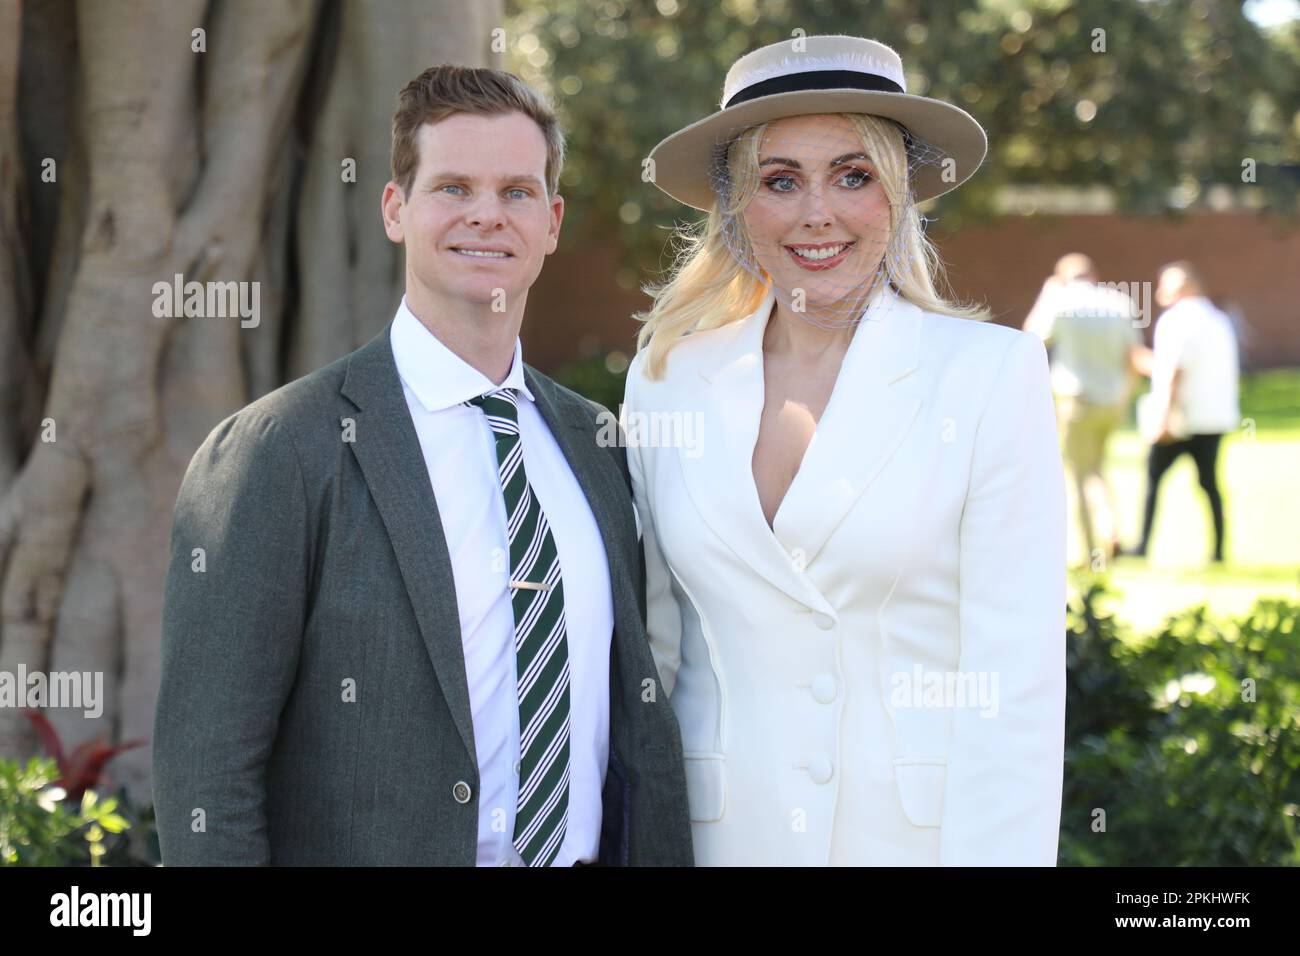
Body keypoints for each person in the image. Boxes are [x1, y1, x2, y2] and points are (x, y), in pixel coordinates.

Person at [153, 65, 693, 866]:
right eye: (452, 187)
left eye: (516, 191)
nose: (487, 215)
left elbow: (636, 730)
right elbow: (208, 772)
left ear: (551, 220)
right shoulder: (281, 450)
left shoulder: (598, 444)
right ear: (396, 210)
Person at [624, 35, 1066, 865]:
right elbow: (654, 656)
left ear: (897, 197)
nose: (816, 212)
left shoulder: (991, 378)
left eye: (853, 176)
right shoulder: (668, 380)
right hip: (718, 842)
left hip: (911, 845)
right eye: (780, 180)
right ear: (734, 207)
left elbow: (1016, 687)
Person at [1023, 253, 1144, 565]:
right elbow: (1133, 356)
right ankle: (1111, 530)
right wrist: (1123, 396)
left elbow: (1030, 339)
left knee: (1076, 477)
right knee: (1097, 469)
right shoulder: (1120, 302)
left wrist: (1047, 295)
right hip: (1111, 401)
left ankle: (1091, 553)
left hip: (1075, 400)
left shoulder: (1060, 302)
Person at [1130, 261, 1240, 563]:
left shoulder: (1175, 320)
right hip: (1214, 417)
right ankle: (1218, 551)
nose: (1159, 291)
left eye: (1166, 284)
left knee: (1154, 478)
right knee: (1209, 483)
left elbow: (1175, 372)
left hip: (1181, 418)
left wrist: (1163, 418)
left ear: (1183, 287)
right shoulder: (1219, 319)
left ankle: (1142, 546)